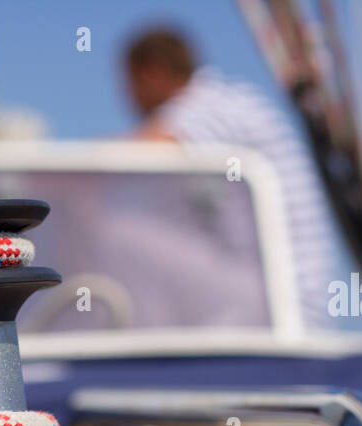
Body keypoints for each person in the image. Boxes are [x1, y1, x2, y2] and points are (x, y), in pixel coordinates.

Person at [125, 26, 339, 330]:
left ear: (152, 73)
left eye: (130, 85)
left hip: (284, 311)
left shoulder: (214, 105)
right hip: (287, 307)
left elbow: (138, 153)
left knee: (127, 238)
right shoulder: (232, 103)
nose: (130, 101)